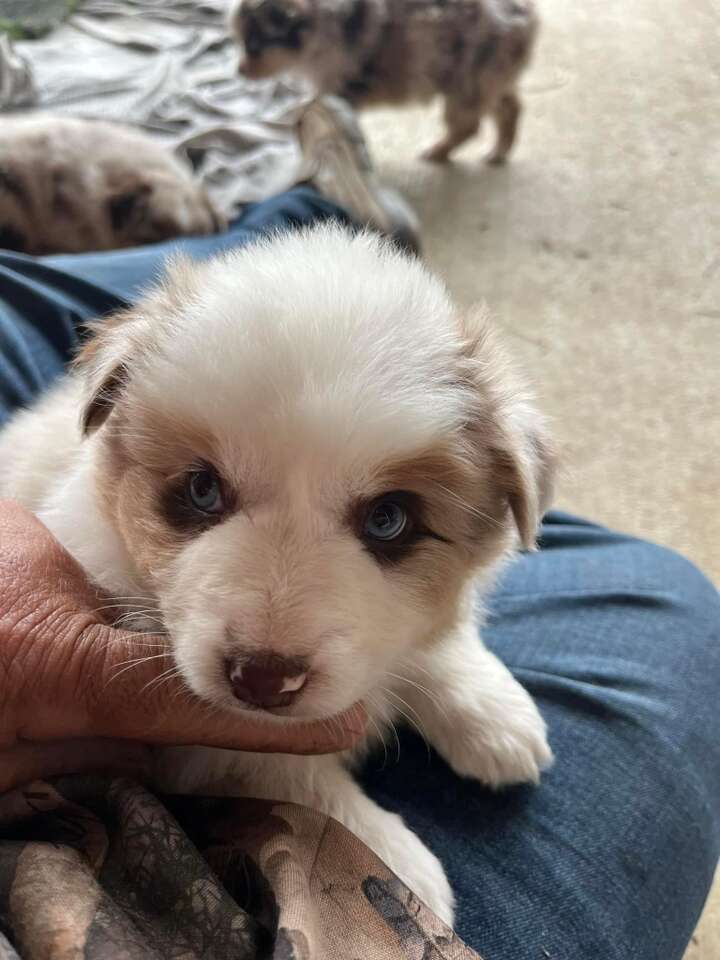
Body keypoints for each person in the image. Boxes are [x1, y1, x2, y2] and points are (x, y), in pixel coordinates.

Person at [0, 176, 718, 960]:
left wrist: (448, 663)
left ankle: (318, 201)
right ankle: (319, 199)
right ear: (111, 435)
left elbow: (450, 588)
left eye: (387, 520)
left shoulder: (477, 486)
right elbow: (174, 750)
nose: (270, 636)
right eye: (202, 493)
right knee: (669, 597)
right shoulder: (93, 518)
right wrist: (334, 806)